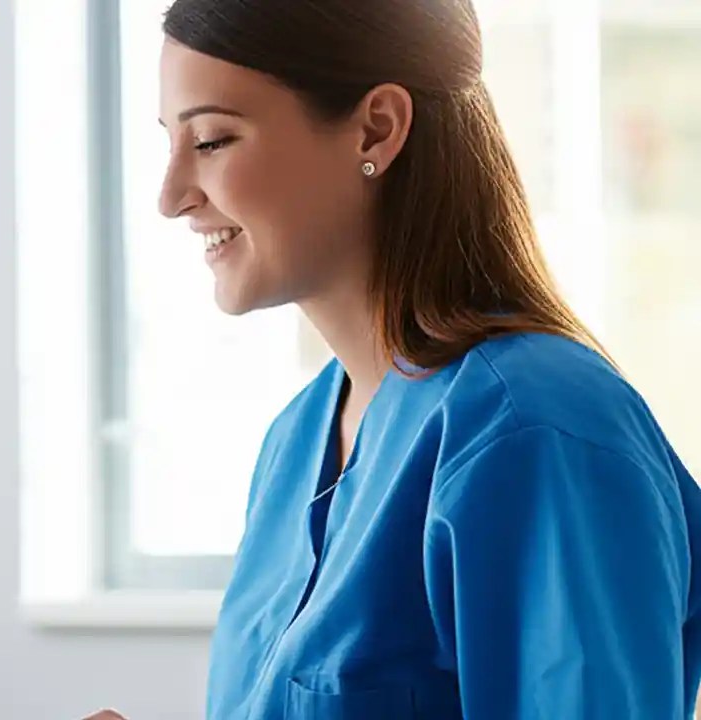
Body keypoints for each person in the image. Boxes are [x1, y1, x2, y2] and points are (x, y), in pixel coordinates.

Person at [85, 0, 701, 718]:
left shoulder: (535, 427)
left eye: (214, 139)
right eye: (171, 144)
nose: (171, 197)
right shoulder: (298, 439)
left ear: (376, 126)